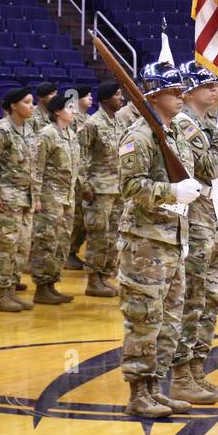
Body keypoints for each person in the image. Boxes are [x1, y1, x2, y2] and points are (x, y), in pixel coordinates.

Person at [115, 62, 202, 418]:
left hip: (172, 237)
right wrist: (172, 191)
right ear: (152, 95)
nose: (181, 96)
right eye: (173, 91)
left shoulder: (175, 133)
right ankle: (138, 393)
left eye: (182, 90)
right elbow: (131, 186)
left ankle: (156, 387)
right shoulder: (139, 136)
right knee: (144, 316)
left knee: (169, 318)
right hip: (145, 240)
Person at [170, 60, 218, 403]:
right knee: (193, 298)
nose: (217, 89)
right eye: (209, 84)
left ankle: (198, 371)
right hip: (196, 220)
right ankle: (181, 375)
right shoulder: (184, 125)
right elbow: (209, 167)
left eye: (217, 84)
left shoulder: (207, 122)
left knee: (210, 300)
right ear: (190, 90)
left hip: (215, 217)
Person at [0, 86, 39, 313]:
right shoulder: (2, 131)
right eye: (27, 102)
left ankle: (11, 289)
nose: (32, 106)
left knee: (21, 247)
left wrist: (35, 196)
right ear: (13, 106)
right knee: (4, 248)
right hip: (7, 198)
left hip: (25, 198)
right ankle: (0, 294)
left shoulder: (29, 129)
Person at [29, 91, 80, 305]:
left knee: (61, 242)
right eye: (69, 107)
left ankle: (51, 283)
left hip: (67, 197)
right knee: (46, 241)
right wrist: (36, 197)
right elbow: (36, 167)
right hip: (49, 196)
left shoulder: (71, 134)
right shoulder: (47, 134)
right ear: (57, 111)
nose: (73, 111)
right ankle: (41, 287)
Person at [78, 80, 126, 297]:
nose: (121, 98)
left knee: (114, 235)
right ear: (106, 98)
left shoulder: (119, 122)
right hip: (98, 189)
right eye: (117, 95)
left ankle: (105, 276)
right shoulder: (92, 124)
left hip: (117, 188)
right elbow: (80, 156)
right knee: (98, 234)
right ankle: (93, 279)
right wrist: (84, 185)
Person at [65, 83, 93, 271]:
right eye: (87, 95)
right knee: (75, 217)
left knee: (83, 218)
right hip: (75, 173)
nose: (91, 98)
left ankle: (73, 250)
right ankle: (68, 252)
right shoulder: (72, 119)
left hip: (88, 172)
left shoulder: (90, 119)